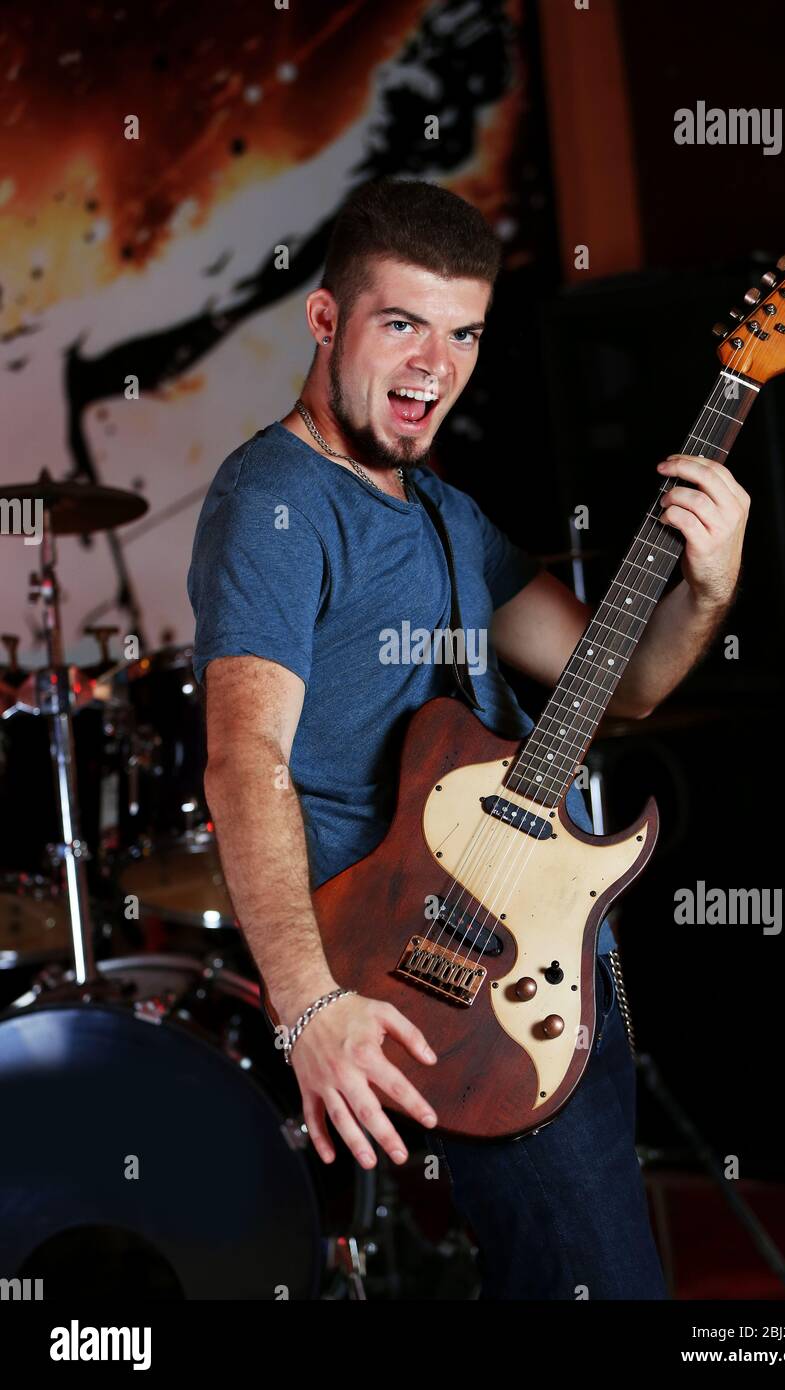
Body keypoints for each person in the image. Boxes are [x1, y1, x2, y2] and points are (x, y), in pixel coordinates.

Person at [187, 177, 750, 1299]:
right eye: (400, 324)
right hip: (435, 984)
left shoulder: (443, 510)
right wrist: (307, 1008)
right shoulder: (274, 501)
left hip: (541, 954)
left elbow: (617, 681)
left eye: (462, 334)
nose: (431, 366)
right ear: (326, 320)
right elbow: (242, 758)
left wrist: (709, 586)